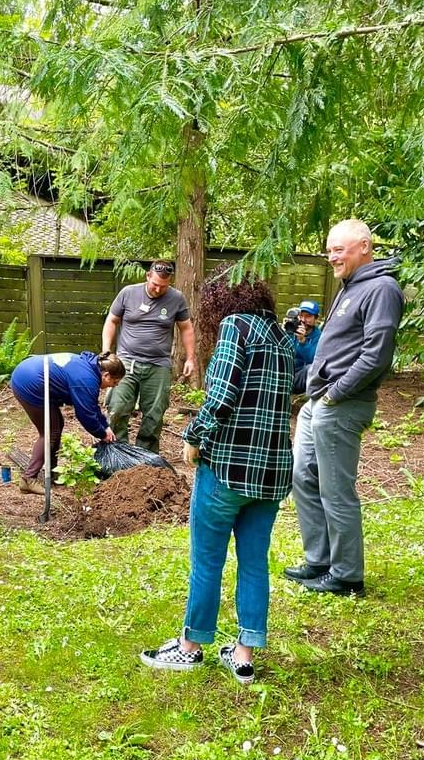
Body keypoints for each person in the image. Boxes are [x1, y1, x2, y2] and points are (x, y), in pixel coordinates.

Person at [140, 264, 294, 684]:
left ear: (220, 302)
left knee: (207, 558)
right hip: (272, 474)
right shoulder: (281, 338)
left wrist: (193, 436)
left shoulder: (235, 328)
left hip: (227, 469)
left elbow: (221, 395)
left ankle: (190, 648)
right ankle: (243, 656)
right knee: (254, 562)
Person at [285, 219, 405, 597]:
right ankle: (319, 560)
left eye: (340, 249)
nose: (332, 255)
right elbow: (331, 351)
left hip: (341, 404)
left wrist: (336, 393)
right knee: (302, 477)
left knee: (335, 489)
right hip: (317, 402)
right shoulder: (349, 288)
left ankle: (347, 575)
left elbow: (377, 355)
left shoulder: (382, 289)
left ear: (365, 246)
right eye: (329, 249)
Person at [101, 260, 196, 453]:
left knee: (154, 416)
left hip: (158, 366)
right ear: (148, 276)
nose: (158, 289)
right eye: (155, 284)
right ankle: (118, 453)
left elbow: (186, 328)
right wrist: (106, 351)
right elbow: (111, 321)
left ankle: (145, 459)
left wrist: (190, 357)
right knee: (118, 409)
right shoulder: (128, 293)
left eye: (163, 286)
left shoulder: (176, 298)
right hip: (126, 362)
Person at [9, 351, 124, 494]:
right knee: (50, 431)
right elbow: (85, 415)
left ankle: (51, 472)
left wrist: (105, 427)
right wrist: (101, 433)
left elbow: (92, 406)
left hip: (29, 373)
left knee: (56, 426)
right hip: (29, 383)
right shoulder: (86, 381)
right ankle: (28, 479)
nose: (114, 386)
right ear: (106, 375)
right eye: (114, 382)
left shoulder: (90, 367)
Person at [288, 299, 322, 395]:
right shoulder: (291, 329)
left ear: (316, 318)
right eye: (301, 316)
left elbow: (314, 361)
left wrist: (303, 341)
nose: (303, 320)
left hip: (301, 377)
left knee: (309, 368)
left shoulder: (319, 337)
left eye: (308, 316)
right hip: (286, 374)